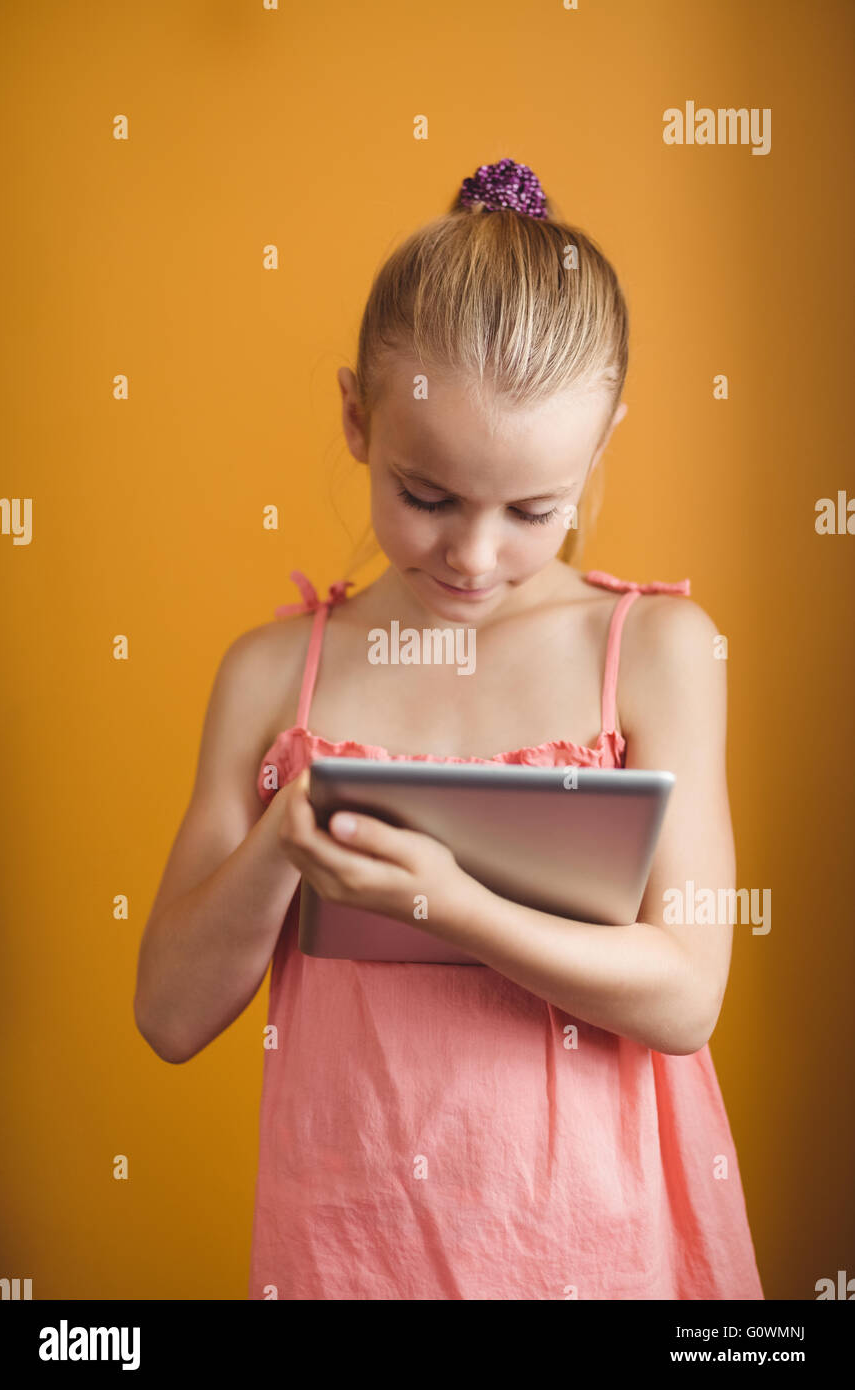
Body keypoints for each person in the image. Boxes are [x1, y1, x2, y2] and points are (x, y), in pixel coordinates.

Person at [134, 158, 764, 1300]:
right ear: (356, 418)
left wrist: (452, 902)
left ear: (599, 449)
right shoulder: (274, 675)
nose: (472, 556)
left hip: (589, 1248)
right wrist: (284, 842)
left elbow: (684, 997)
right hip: (348, 1252)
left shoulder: (654, 652)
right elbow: (170, 1016)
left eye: (532, 510)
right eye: (425, 497)